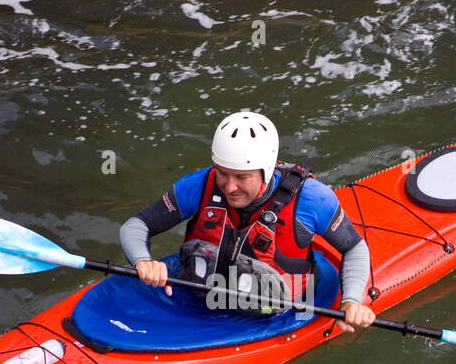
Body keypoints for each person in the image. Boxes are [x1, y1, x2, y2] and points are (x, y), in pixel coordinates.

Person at [119, 111, 376, 333]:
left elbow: (353, 248)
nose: (229, 187)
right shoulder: (199, 185)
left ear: (265, 170)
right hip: (198, 298)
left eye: (242, 177)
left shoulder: (312, 200)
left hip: (279, 312)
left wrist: (351, 301)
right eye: (222, 173)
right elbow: (137, 225)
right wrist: (143, 260)